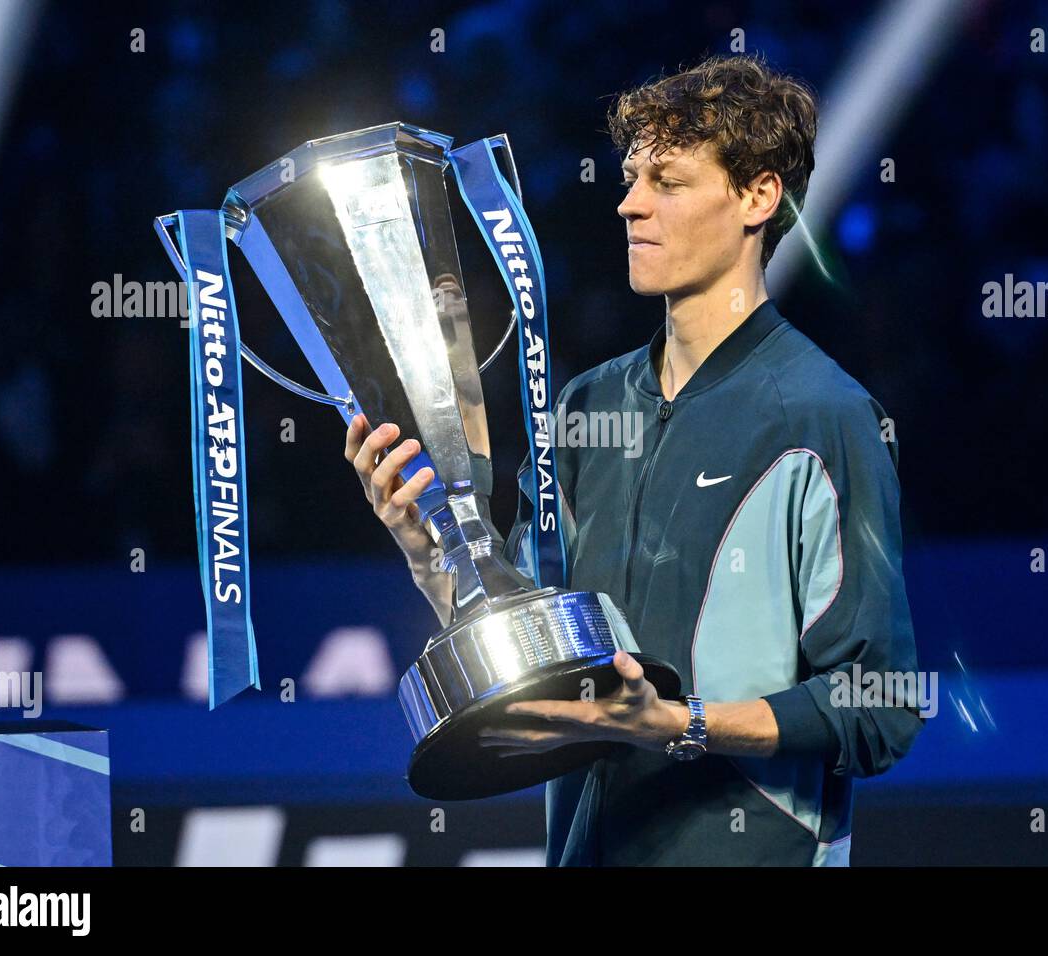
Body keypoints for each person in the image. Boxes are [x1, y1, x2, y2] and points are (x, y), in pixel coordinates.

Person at [344, 53, 923, 866]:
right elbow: (527, 643)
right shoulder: (585, 409)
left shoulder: (824, 416)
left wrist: (680, 725)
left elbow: (882, 706)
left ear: (758, 197)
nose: (629, 203)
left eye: (668, 182)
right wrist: (424, 548)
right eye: (628, 177)